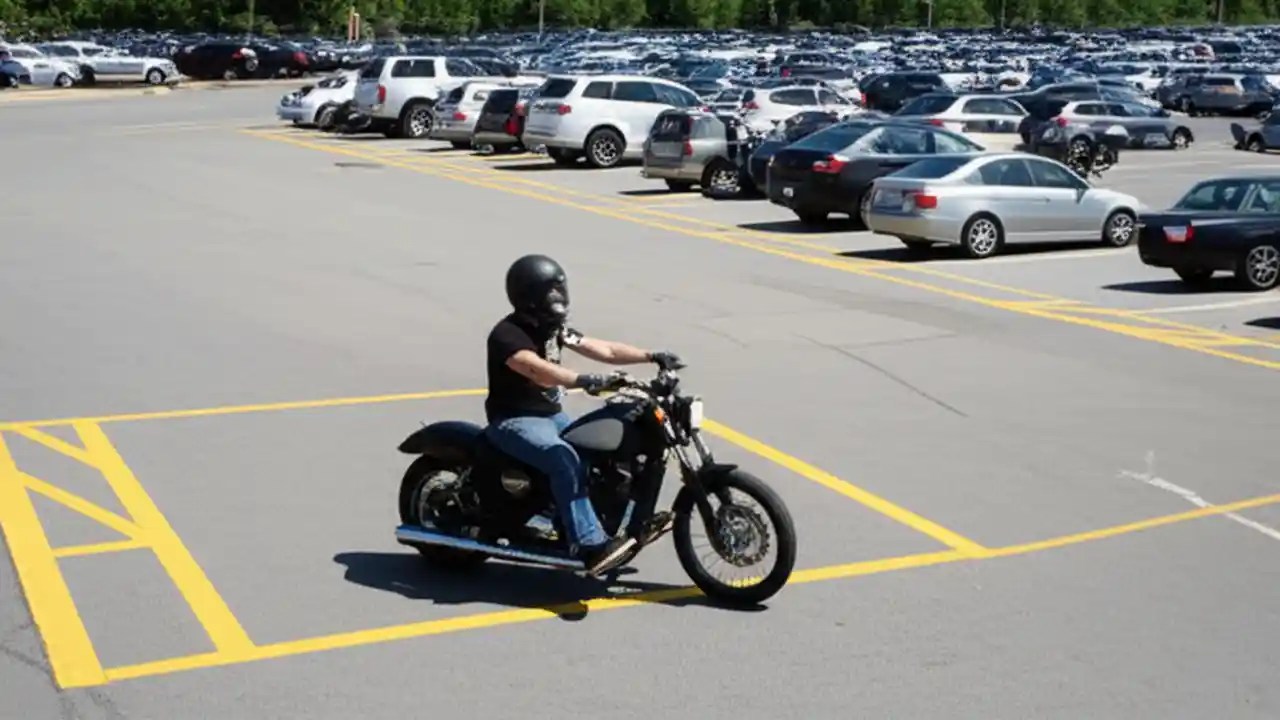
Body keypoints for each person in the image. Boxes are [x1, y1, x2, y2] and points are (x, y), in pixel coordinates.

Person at [485, 254, 678, 576]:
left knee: (599, 448)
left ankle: (607, 521)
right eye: (551, 292)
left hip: (550, 416)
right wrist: (581, 380)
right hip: (513, 421)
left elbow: (602, 349)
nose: (558, 299)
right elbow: (536, 370)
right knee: (564, 458)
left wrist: (651, 356)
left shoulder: (554, 328)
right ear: (529, 295)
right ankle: (589, 544)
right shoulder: (508, 334)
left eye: (560, 290)